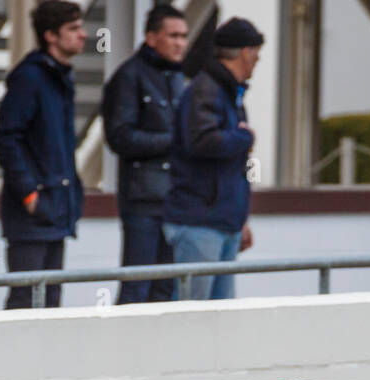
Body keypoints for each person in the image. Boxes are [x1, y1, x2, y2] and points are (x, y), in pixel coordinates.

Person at [162, 17, 263, 300]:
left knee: (219, 319)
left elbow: (231, 164)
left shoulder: (227, 91)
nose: (257, 60)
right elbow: (203, 141)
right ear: (245, 52)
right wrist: (244, 138)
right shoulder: (208, 89)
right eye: (256, 53)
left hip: (220, 221)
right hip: (200, 222)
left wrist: (239, 218)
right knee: (191, 316)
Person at [0, 0, 86, 309]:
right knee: (26, 299)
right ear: (51, 35)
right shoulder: (30, 78)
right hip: (33, 213)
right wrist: (30, 196)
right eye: (73, 28)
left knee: (50, 301)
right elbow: (6, 139)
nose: (83, 35)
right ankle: (13, 359)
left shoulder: (60, 76)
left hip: (54, 209)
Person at [102, 3, 187, 303]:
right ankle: (124, 350)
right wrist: (174, 140)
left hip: (175, 200)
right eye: (173, 35)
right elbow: (119, 137)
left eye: (183, 36)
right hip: (142, 202)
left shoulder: (178, 78)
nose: (180, 43)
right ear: (151, 37)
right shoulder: (128, 76)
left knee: (168, 288)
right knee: (137, 287)